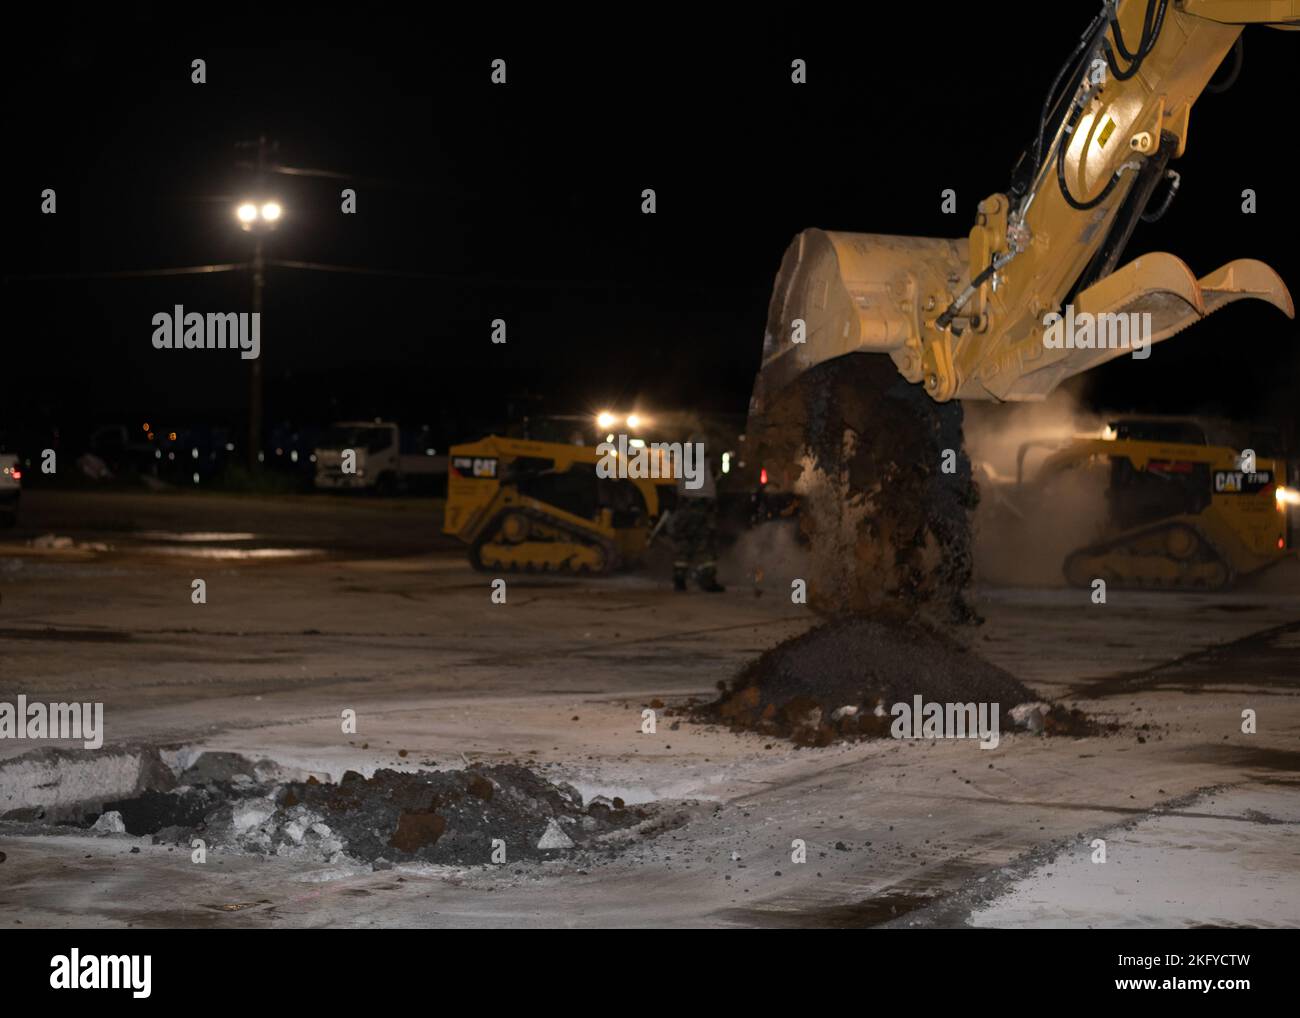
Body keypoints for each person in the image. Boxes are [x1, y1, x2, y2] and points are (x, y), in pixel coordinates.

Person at [669, 438, 724, 592]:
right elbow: (718, 478)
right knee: (705, 546)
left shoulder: (681, 462)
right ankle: (707, 580)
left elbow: (675, 482)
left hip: (684, 507)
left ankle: (679, 580)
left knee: (683, 545)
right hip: (703, 508)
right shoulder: (710, 464)